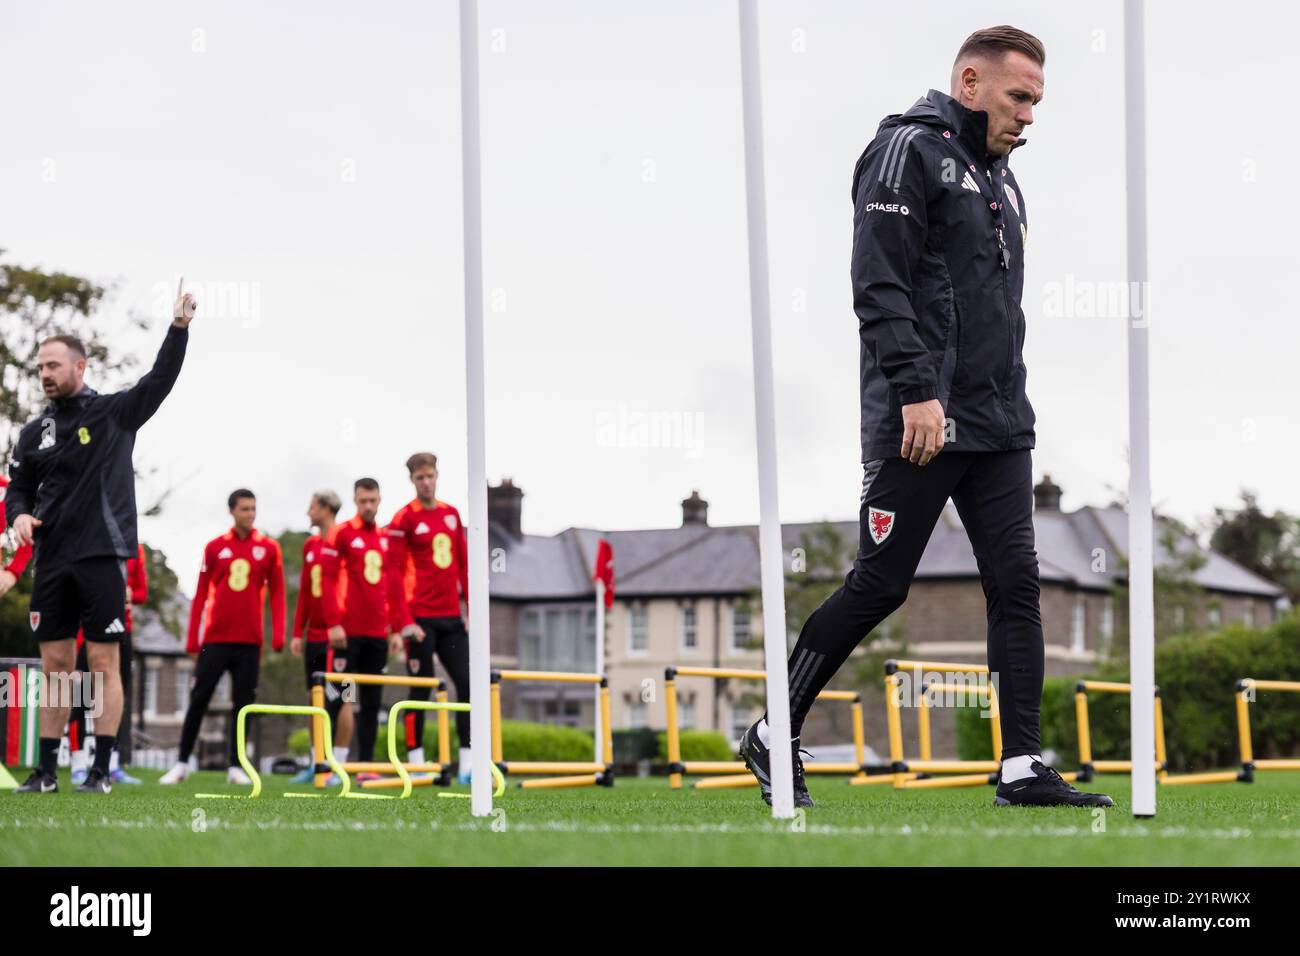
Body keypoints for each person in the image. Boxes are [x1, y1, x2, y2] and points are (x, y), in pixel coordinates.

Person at [739, 26, 1113, 809]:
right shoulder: (905, 153)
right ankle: (776, 731)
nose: (1030, 116)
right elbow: (879, 285)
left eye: (1038, 103)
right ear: (971, 82)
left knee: (1018, 584)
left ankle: (1020, 766)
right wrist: (916, 390)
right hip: (922, 419)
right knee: (881, 586)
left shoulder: (1005, 182)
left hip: (1001, 425)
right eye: (1019, 97)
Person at [8, 282, 194, 794]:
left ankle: (100, 770)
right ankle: (46, 772)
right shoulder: (32, 433)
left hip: (101, 555)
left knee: (104, 661)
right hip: (51, 559)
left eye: (53, 365)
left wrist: (177, 328)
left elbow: (159, 380)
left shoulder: (114, 413)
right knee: (56, 667)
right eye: (40, 367)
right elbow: (17, 490)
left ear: (79, 367)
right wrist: (18, 518)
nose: (44, 374)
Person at [160, 489, 286, 785]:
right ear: (232, 511)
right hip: (216, 639)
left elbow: (278, 594)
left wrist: (277, 635)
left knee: (243, 705)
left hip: (250, 642)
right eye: (245, 509)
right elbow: (201, 593)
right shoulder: (215, 548)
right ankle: (181, 764)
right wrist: (193, 640)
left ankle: (236, 766)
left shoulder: (268, 548)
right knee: (198, 699)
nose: (250, 514)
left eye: (254, 508)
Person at [320, 478, 418, 771]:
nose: (368, 506)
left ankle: (365, 766)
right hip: (348, 637)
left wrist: (398, 628)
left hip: (377, 637)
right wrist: (334, 623)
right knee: (344, 697)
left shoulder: (387, 538)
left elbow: (395, 586)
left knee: (372, 703)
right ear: (355, 500)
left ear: (379, 500)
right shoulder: (341, 534)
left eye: (373, 501)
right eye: (363, 501)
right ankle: (336, 763)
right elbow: (326, 580)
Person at [386, 453, 471, 781]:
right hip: (419, 619)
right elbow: (393, 574)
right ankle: (416, 761)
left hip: (451, 617)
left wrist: (469, 612)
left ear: (438, 476)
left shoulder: (451, 514)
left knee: (466, 684)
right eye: (420, 477)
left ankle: (468, 762)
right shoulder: (403, 518)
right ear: (412, 480)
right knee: (421, 689)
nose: (427, 482)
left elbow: (464, 565)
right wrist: (403, 621)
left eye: (431, 476)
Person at [68, 543, 148, 785]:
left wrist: (131, 592)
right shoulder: (88, 543)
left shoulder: (137, 549)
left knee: (116, 696)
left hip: (122, 633)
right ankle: (78, 764)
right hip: (86, 634)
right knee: (80, 699)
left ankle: (111, 764)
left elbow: (143, 593)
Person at [288, 489, 353, 782]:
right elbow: (305, 590)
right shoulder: (311, 545)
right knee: (314, 697)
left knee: (344, 697)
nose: (308, 511)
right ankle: (317, 762)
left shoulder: (345, 539)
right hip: (314, 635)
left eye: (312, 506)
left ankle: (340, 763)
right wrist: (297, 631)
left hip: (341, 636)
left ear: (326, 508)